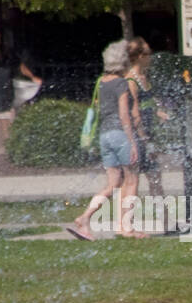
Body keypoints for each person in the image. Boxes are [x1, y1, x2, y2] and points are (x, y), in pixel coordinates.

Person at [65, 41, 141, 241]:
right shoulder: (121, 83)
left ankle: (84, 218)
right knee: (132, 180)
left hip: (104, 136)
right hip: (120, 134)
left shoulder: (102, 82)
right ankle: (127, 228)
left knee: (113, 184)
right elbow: (124, 114)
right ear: (123, 61)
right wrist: (132, 142)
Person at [125, 37, 167, 201]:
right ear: (140, 56)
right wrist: (143, 139)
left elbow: (145, 105)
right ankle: (126, 224)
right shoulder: (131, 80)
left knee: (155, 179)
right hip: (138, 138)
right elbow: (134, 113)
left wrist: (159, 113)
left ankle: (165, 222)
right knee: (132, 182)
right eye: (149, 53)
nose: (151, 57)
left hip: (148, 135)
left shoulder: (143, 78)